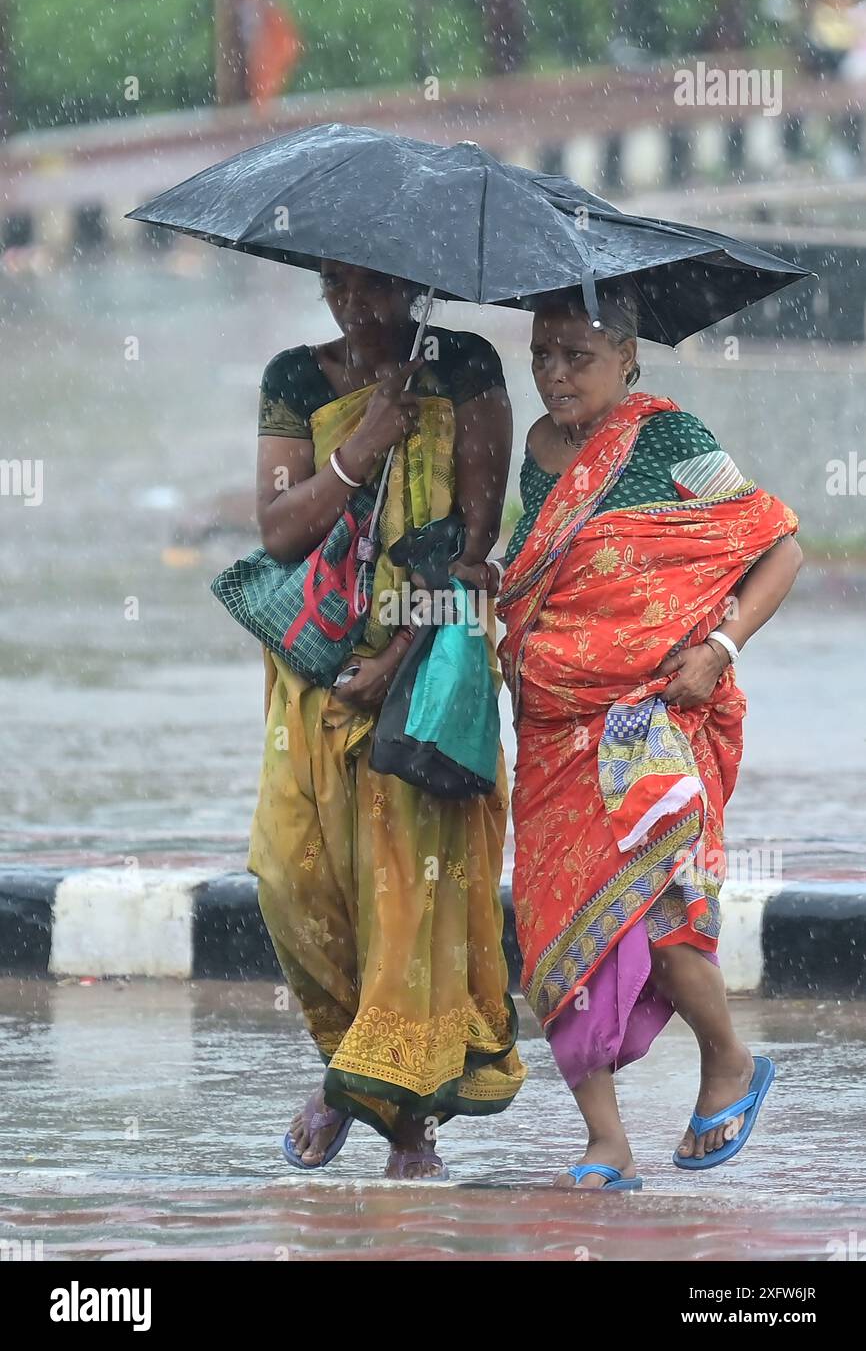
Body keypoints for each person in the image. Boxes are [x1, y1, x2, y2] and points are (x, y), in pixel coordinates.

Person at [489, 285, 801, 1189]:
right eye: (542, 354)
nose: (553, 374)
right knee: (554, 933)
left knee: (664, 916)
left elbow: (776, 544)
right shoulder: (541, 453)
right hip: (552, 729)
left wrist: (719, 647)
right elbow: (549, 566)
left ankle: (729, 1061)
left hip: (647, 719)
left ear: (628, 357)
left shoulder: (671, 439)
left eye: (575, 356)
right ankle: (606, 1142)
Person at [247, 260, 526, 1179]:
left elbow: (477, 545)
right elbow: (281, 530)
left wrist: (401, 653)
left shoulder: (464, 367)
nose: (351, 303)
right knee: (296, 881)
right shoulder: (295, 376)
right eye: (335, 283)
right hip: (314, 670)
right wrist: (361, 446)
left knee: (410, 898)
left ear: (412, 284)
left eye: (371, 286)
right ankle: (346, 1073)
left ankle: (402, 1126)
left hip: (426, 662)